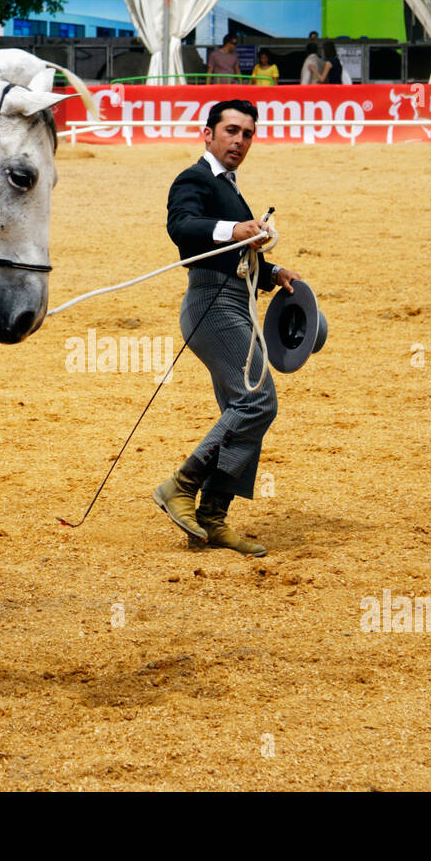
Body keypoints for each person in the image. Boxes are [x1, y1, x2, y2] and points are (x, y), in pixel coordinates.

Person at [156, 99, 302, 558]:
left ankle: (212, 519)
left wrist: (272, 269)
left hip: (234, 300)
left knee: (242, 414)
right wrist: (235, 229)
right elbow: (182, 226)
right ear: (207, 134)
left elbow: (235, 253)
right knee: (257, 401)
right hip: (212, 304)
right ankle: (180, 484)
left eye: (248, 134)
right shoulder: (194, 178)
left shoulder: (231, 188)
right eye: (232, 130)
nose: (240, 141)